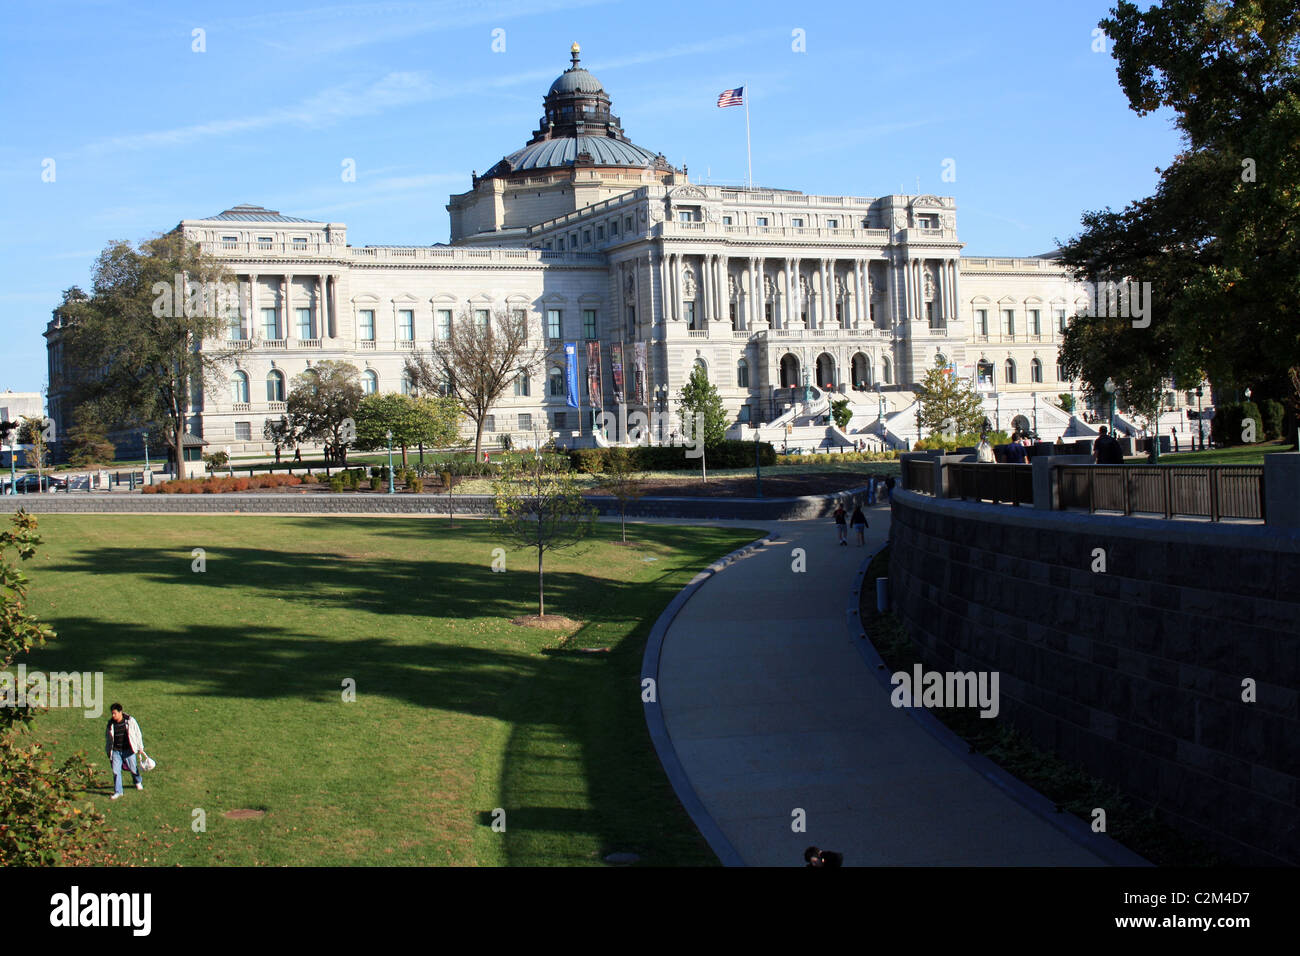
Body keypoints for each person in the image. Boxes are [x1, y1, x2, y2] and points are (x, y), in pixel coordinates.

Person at [105, 703, 144, 799]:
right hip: (116, 751)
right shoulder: (111, 724)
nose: (113, 715)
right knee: (116, 771)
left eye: (115, 713)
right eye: (112, 713)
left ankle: (137, 781)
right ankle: (118, 791)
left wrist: (140, 747)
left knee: (133, 768)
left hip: (128, 750)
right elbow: (108, 739)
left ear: (120, 712)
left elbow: (137, 733)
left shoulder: (130, 721)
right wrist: (108, 752)